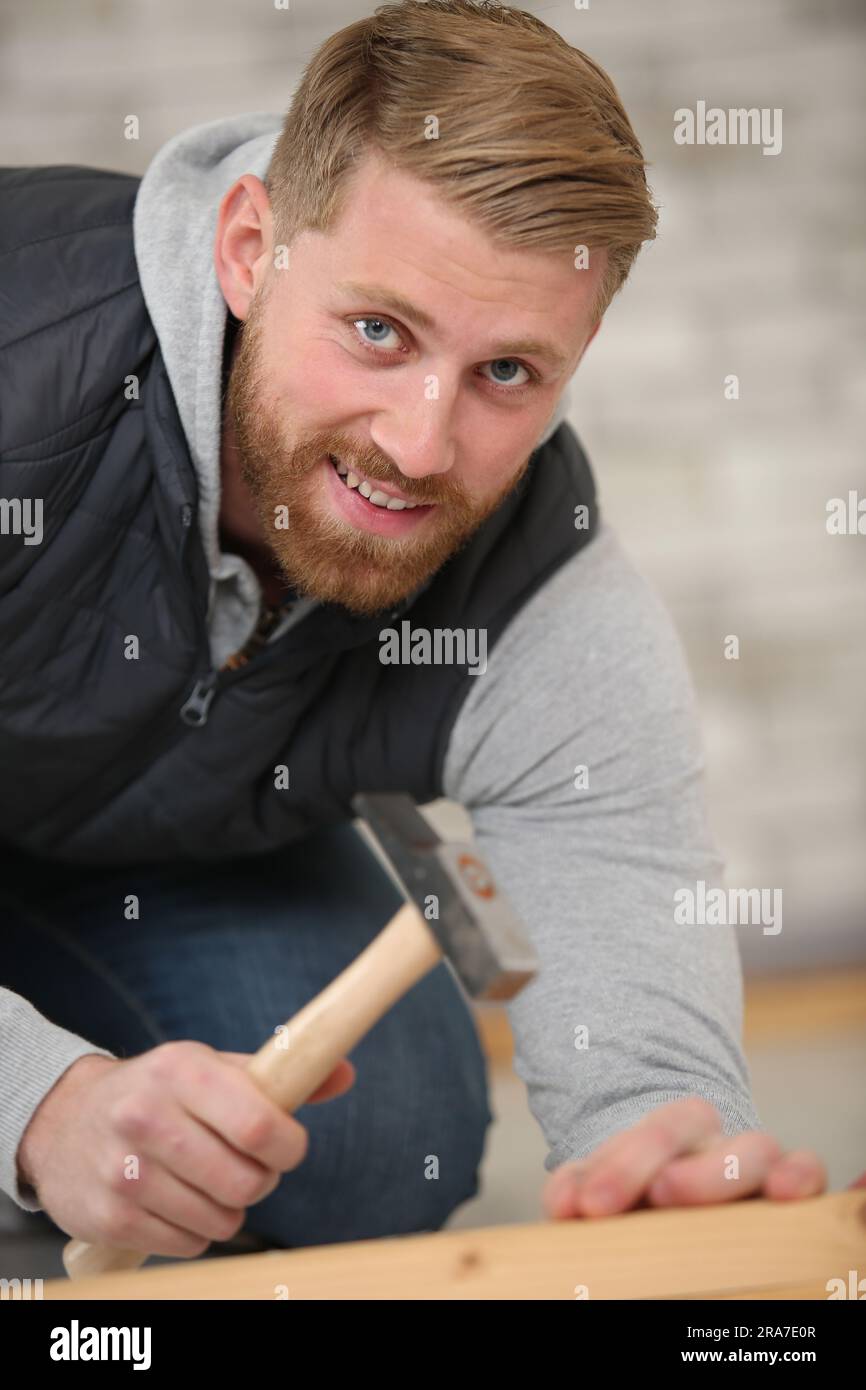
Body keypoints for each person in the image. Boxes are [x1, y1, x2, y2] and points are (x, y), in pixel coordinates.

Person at [0, 0, 825, 1260]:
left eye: (507, 374)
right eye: (377, 331)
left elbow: (637, 1013)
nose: (418, 446)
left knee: (379, 1132)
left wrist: (665, 1170)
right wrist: (38, 1105)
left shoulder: (543, 599)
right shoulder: (25, 373)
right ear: (246, 246)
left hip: (127, 857)